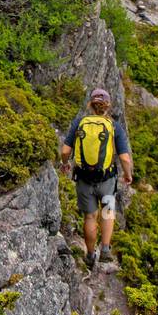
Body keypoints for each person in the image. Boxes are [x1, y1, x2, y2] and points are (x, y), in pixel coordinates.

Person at [61, 89, 132, 270]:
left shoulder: (80, 123)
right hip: (107, 179)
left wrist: (65, 164)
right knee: (107, 212)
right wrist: (127, 175)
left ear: (90, 104)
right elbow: (124, 157)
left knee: (90, 217)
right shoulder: (114, 126)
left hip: (84, 179)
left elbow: (65, 151)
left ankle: (91, 255)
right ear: (108, 106)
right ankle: (106, 250)